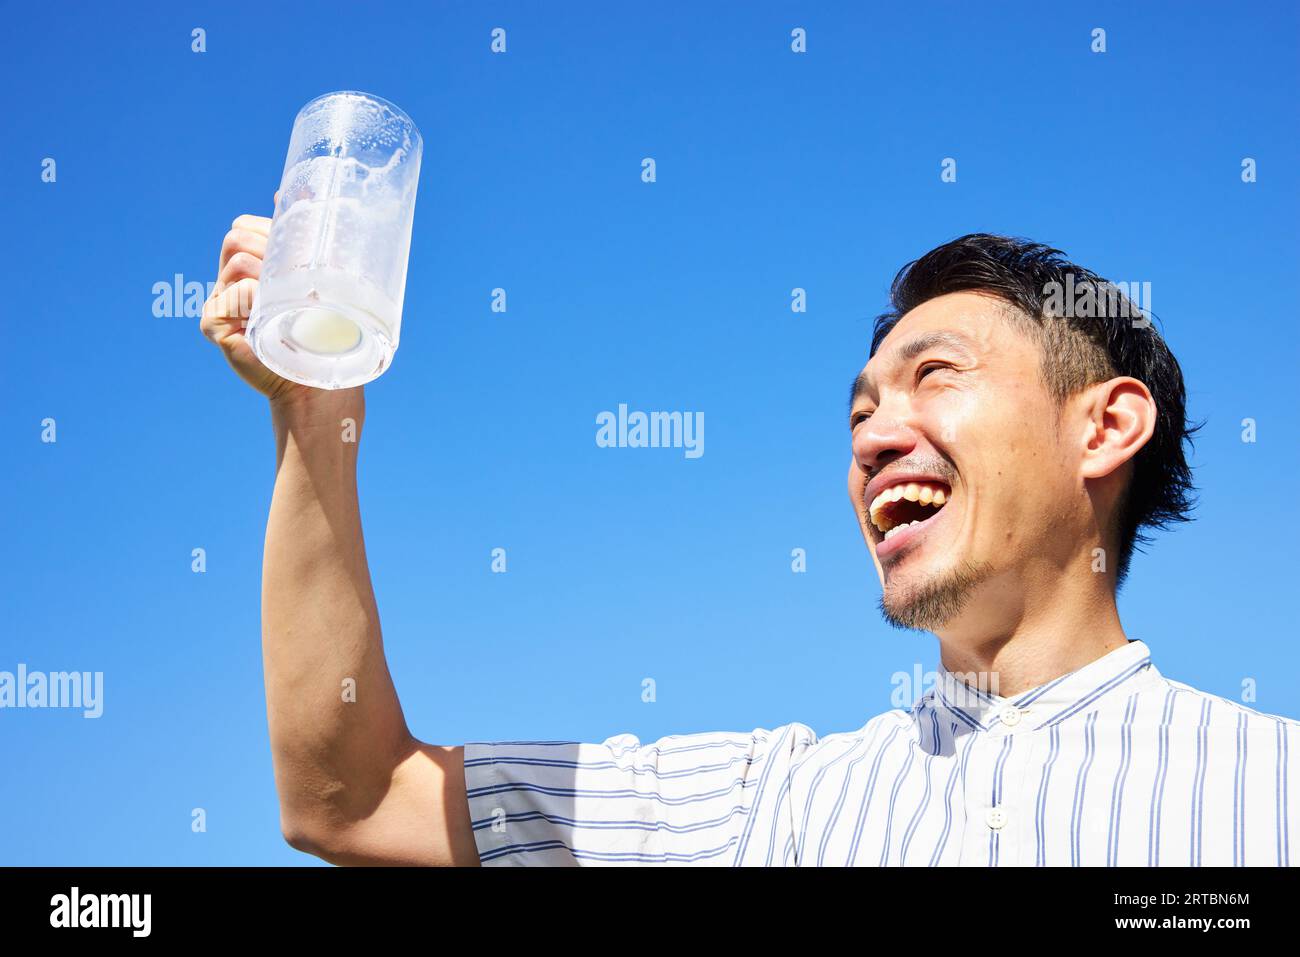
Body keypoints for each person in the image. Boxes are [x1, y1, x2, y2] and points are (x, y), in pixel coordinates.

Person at [201, 227, 1298, 866]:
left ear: (1103, 427)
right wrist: (314, 417)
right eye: (858, 409)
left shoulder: (1273, 791)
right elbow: (350, 797)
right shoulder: (765, 806)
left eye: (935, 377)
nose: (874, 434)